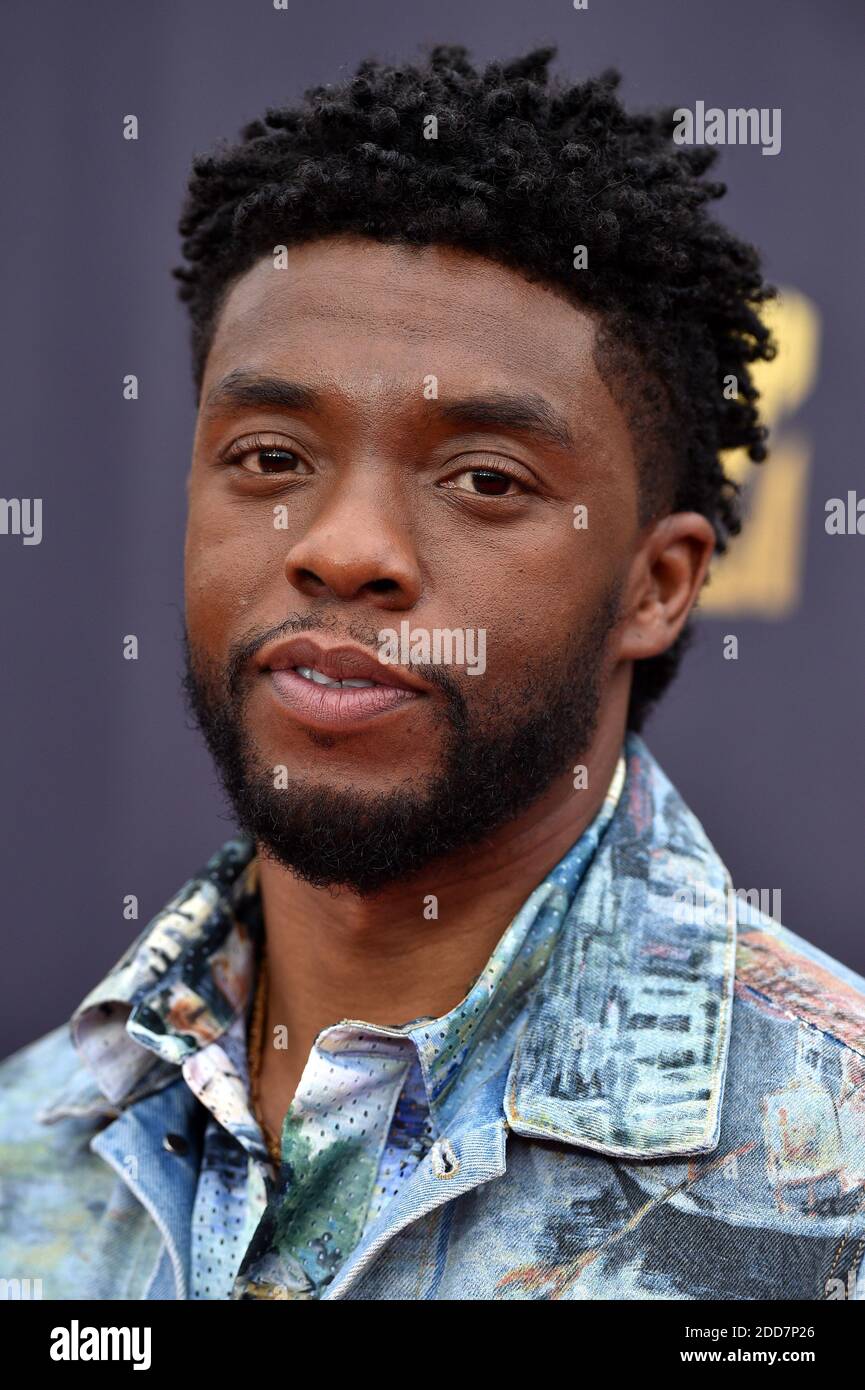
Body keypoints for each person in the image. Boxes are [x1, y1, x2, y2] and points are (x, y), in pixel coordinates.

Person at [2, 44, 863, 1302]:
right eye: (269, 455)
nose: (342, 548)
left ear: (656, 585)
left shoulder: (833, 1187)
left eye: (485, 481)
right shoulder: (31, 1154)